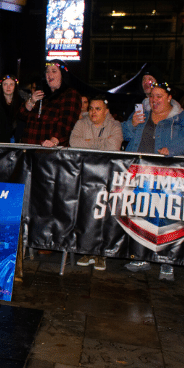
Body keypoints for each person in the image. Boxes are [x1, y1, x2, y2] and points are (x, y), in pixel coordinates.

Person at [122, 82, 184, 281]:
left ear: (169, 97)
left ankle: (166, 261)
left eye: (159, 96)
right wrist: (132, 124)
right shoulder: (142, 114)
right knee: (140, 212)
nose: (154, 100)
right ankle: (141, 257)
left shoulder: (182, 117)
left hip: (167, 174)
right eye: (152, 96)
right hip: (139, 171)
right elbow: (125, 134)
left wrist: (172, 150)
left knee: (166, 216)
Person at [70, 96, 123, 271]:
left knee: (105, 214)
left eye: (98, 109)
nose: (93, 112)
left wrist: (89, 144)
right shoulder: (81, 123)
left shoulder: (115, 125)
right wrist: (101, 143)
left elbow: (113, 146)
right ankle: (88, 251)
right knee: (86, 214)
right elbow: (73, 142)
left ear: (106, 111)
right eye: (91, 108)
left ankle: (102, 254)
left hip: (107, 176)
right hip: (85, 175)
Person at [18, 61, 82, 147]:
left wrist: (54, 140)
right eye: (47, 71)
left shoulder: (70, 94)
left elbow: (66, 122)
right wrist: (31, 101)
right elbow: (21, 115)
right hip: (30, 148)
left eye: (54, 71)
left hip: (50, 151)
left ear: (62, 74)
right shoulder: (42, 94)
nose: (49, 74)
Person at [0, 75, 28, 142]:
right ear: (1, 86)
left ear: (15, 86)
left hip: (18, 138)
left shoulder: (23, 101)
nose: (8, 87)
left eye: (11, 84)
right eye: (5, 84)